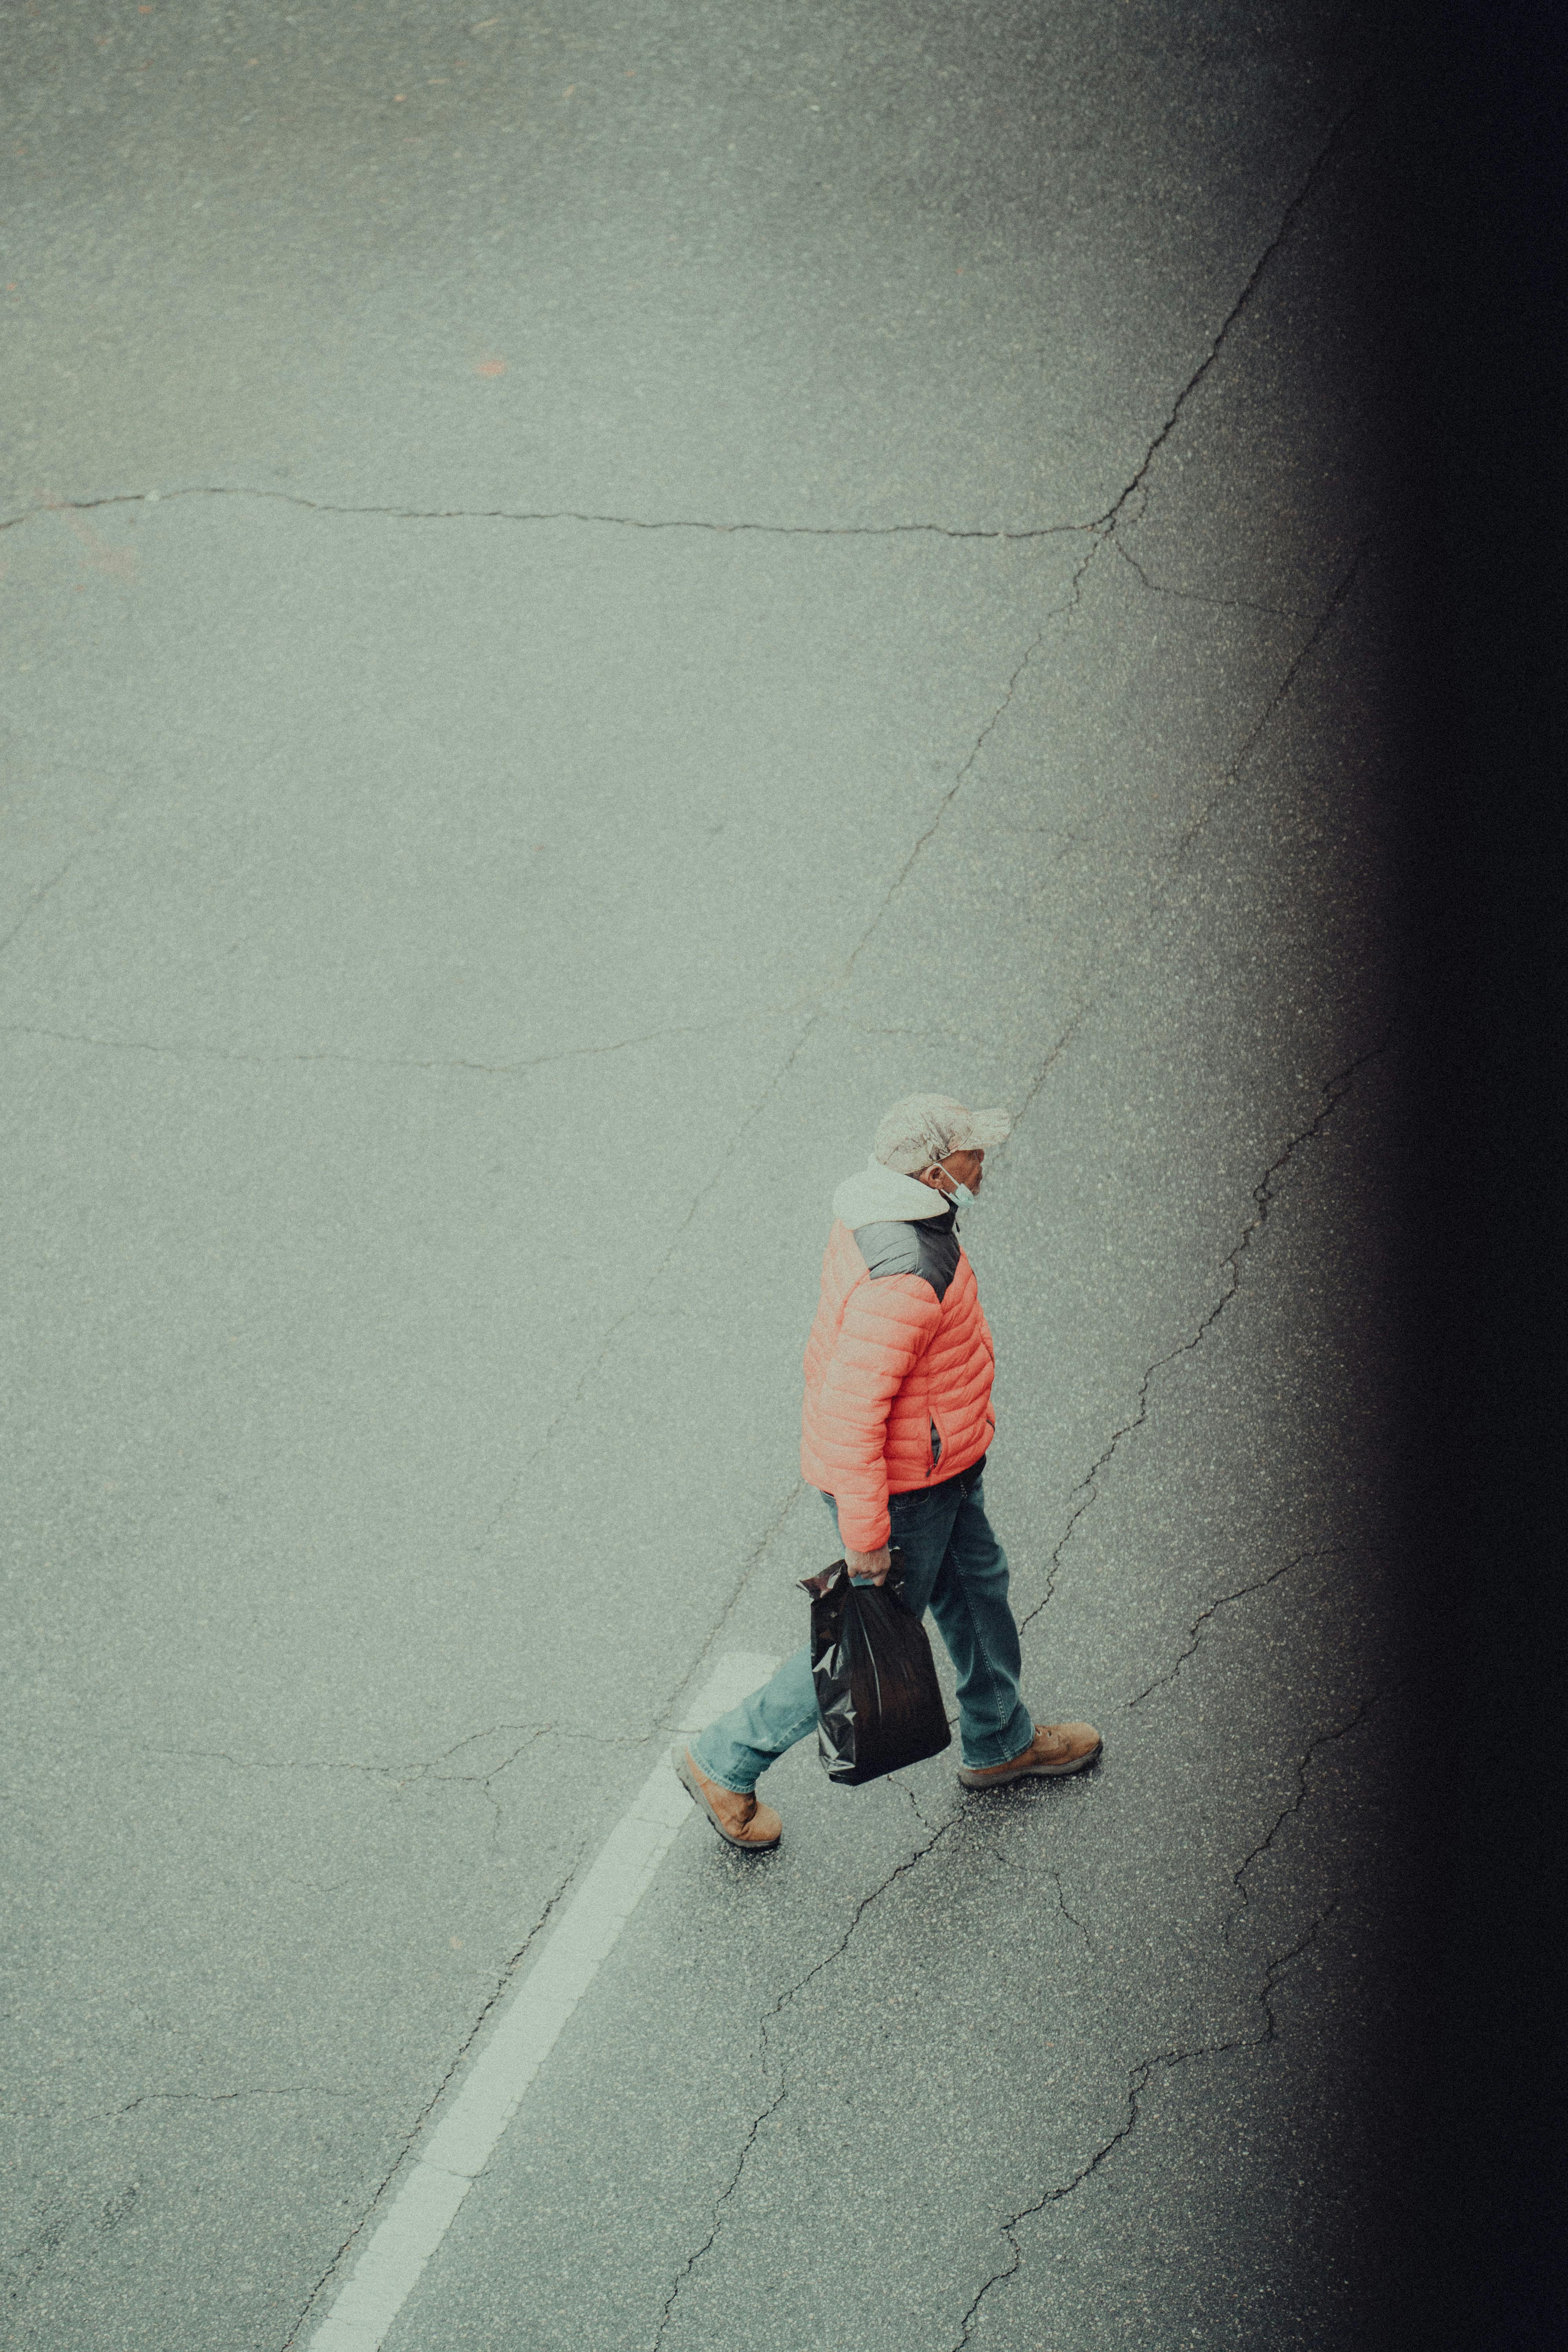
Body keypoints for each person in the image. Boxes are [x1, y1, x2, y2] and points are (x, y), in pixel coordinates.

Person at [673, 1093, 1102, 1850]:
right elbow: (851, 1411)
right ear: (936, 1170)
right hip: (903, 1490)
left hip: (942, 1468)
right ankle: (725, 1760)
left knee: (977, 1592)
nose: (983, 1161)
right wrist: (868, 1534)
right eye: (972, 1152)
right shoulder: (902, 1274)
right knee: (863, 1640)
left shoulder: (899, 1213)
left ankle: (1001, 1739)